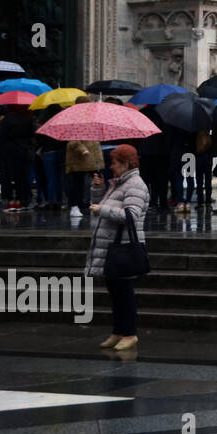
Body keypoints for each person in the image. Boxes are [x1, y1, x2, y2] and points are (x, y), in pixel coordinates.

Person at [85, 144, 148, 352]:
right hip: (110, 246)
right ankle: (118, 331)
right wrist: (98, 190)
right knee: (115, 292)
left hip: (122, 248)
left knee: (124, 293)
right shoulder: (118, 184)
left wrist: (102, 209)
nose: (111, 167)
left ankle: (129, 333)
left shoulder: (135, 185)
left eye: (114, 163)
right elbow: (103, 208)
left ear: (126, 163)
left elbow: (130, 215)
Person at [64, 97, 102, 218]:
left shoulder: (90, 119)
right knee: (77, 183)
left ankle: (95, 203)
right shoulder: (74, 119)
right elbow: (73, 140)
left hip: (93, 157)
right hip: (80, 158)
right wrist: (83, 150)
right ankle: (75, 206)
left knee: (98, 179)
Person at [0, 105, 34, 212]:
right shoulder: (27, 119)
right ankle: (20, 200)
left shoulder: (6, 119)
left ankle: (10, 201)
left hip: (8, 150)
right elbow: (31, 135)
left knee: (8, 176)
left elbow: (2, 136)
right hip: (23, 150)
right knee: (21, 176)